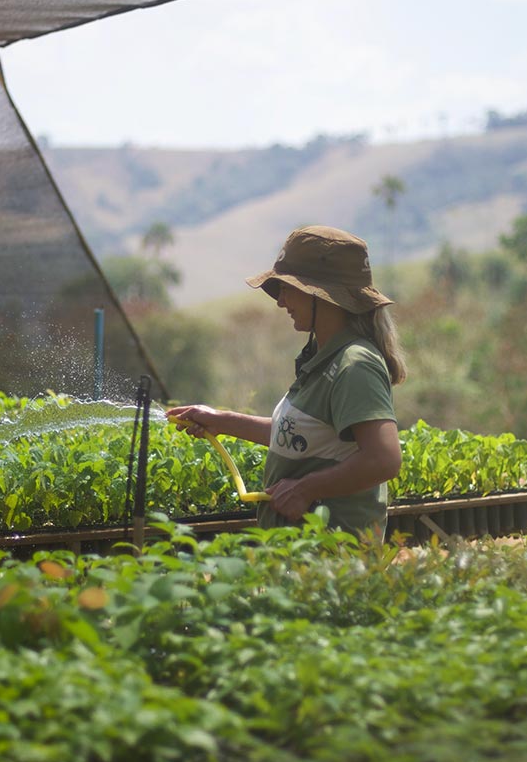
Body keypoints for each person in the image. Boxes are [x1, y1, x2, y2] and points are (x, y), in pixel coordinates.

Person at [168, 225, 406, 539]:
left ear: (320, 294)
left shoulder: (354, 364)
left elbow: (383, 459)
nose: (281, 301)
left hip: (334, 559)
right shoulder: (323, 358)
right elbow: (297, 437)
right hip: (301, 555)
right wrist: (220, 421)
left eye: (288, 289)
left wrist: (306, 489)